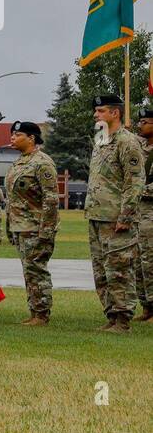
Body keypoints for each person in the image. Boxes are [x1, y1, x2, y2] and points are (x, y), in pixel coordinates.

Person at [86, 95, 143, 332]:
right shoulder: (101, 139)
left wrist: (126, 215)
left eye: (100, 111)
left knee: (119, 270)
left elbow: (135, 181)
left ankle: (123, 320)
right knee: (101, 271)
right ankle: (111, 316)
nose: (95, 115)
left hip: (116, 218)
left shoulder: (127, 142)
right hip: (97, 215)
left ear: (115, 113)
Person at [4, 121, 59, 326]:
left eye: (17, 135)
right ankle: (35, 311)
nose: (12, 138)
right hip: (20, 226)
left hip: (36, 227)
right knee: (29, 270)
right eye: (12, 134)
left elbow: (51, 199)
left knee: (37, 269)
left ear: (32, 139)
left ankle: (42, 313)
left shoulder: (42, 162)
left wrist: (46, 230)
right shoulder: (20, 162)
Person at [135, 108, 153, 322]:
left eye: (145, 121)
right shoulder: (138, 148)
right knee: (139, 263)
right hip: (139, 214)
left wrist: (137, 190)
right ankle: (146, 307)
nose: (140, 125)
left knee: (151, 261)